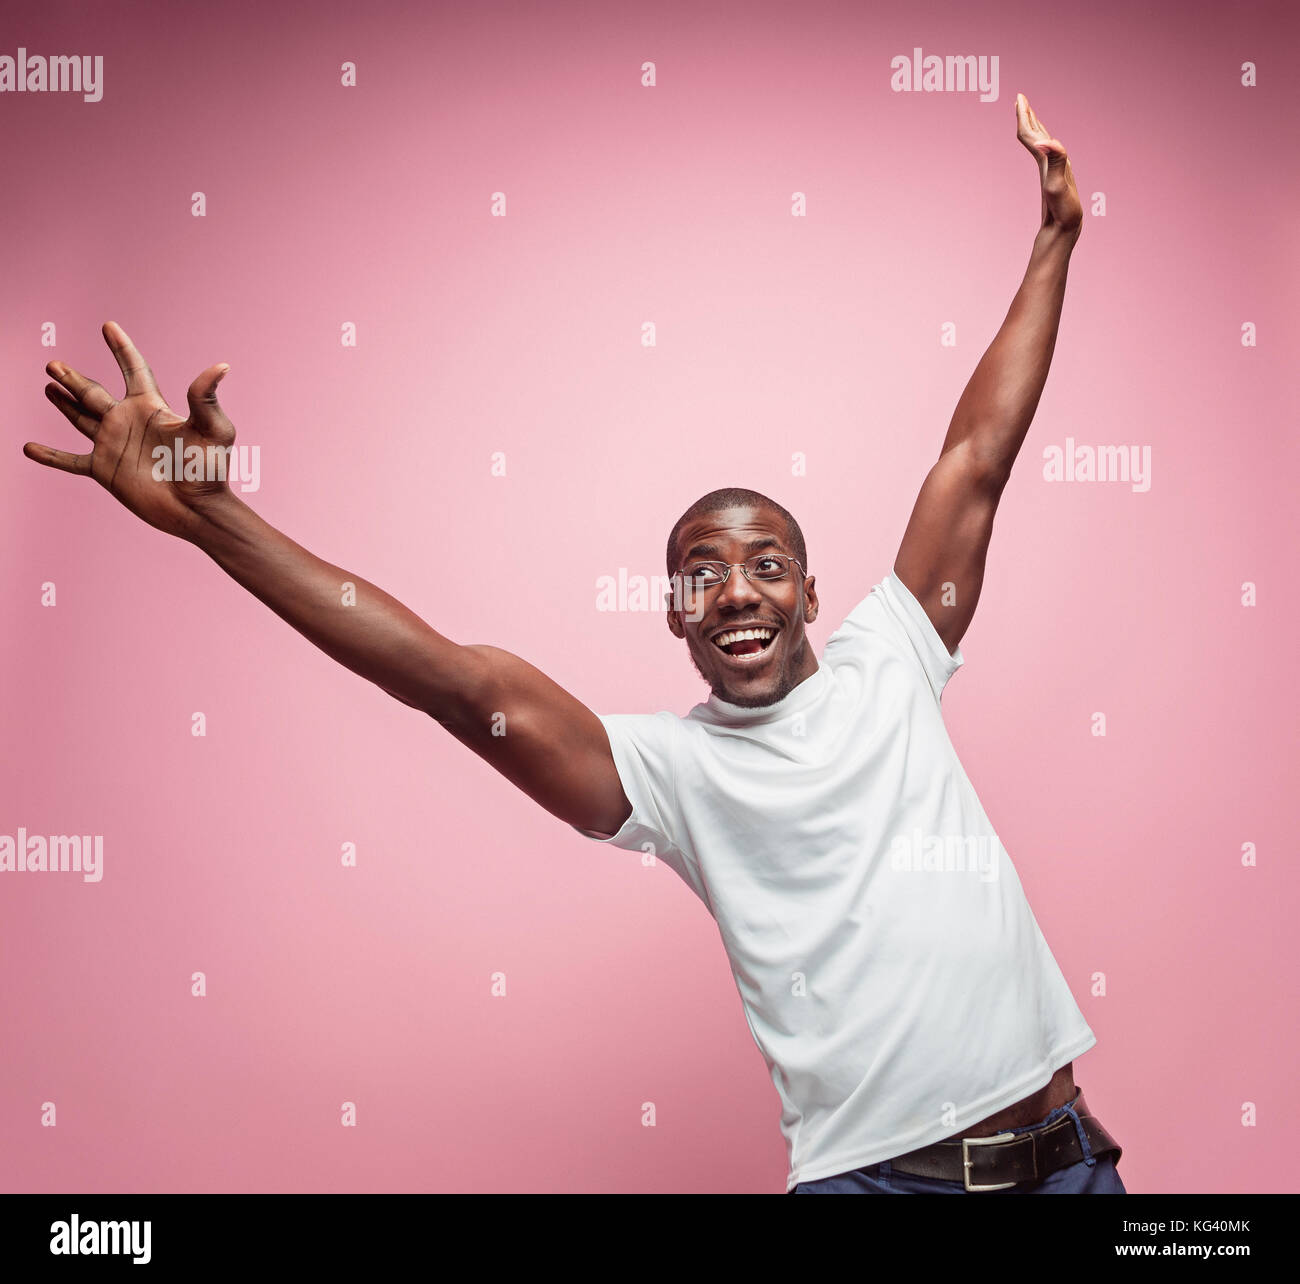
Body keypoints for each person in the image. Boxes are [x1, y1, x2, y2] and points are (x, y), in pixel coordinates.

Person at [23, 93, 1123, 1194]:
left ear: (811, 592)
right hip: (871, 1184)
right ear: (674, 613)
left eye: (766, 566)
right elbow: (450, 682)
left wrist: (1053, 245)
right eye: (702, 574)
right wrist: (219, 514)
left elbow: (976, 454)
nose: (736, 590)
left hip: (1072, 1165)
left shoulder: (894, 652)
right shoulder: (668, 770)